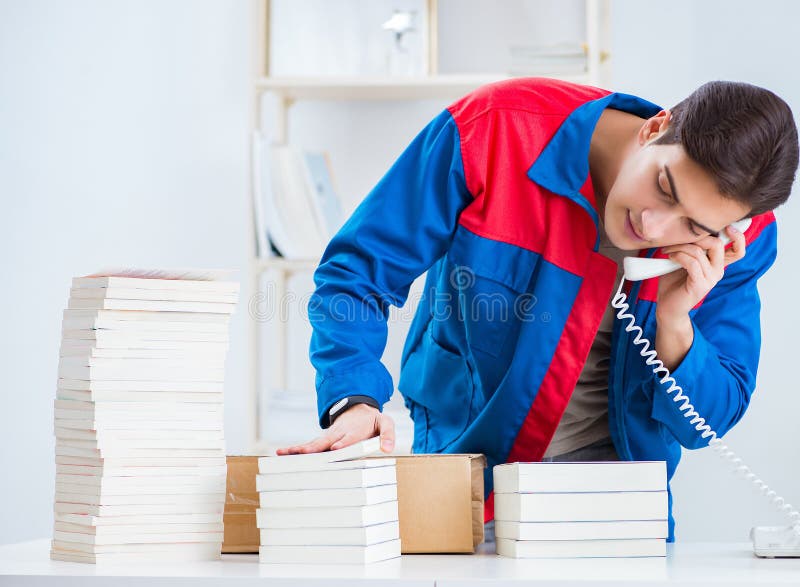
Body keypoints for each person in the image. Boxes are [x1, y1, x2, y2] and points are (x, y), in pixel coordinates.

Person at [277, 77, 799, 541]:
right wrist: (355, 398)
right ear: (655, 128)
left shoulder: (742, 245)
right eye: (665, 187)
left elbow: (705, 424)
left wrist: (675, 320)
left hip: (616, 517)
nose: (656, 226)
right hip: (458, 481)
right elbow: (359, 272)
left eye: (696, 226)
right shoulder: (494, 131)